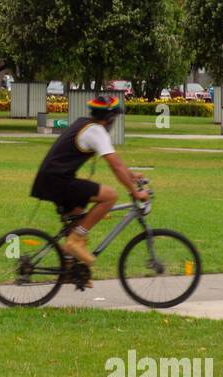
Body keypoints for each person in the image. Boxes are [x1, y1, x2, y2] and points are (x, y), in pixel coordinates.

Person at [30, 95, 146, 268]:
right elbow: (115, 166)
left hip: (51, 179)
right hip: (58, 181)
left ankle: (70, 268)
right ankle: (76, 240)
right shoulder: (96, 131)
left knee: (78, 214)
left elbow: (119, 165)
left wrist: (131, 175)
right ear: (109, 119)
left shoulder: (84, 123)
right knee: (110, 196)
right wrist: (134, 191)